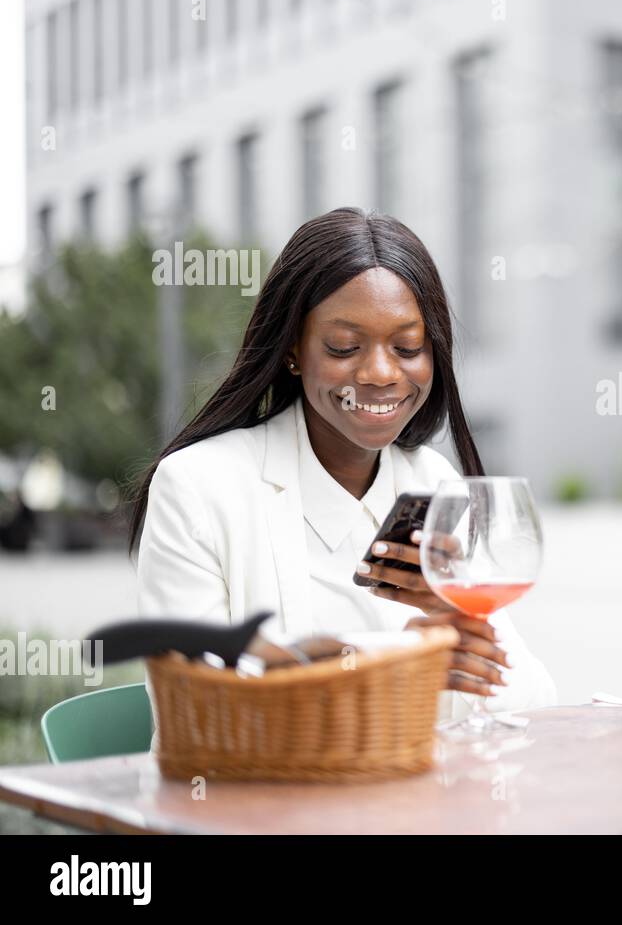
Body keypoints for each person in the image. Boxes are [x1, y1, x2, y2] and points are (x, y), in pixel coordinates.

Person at [129, 208, 556, 719]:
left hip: (407, 797)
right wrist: (396, 667)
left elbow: (530, 706)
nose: (380, 372)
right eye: (344, 346)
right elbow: (195, 707)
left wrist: (454, 610)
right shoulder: (198, 486)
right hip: (247, 798)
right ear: (293, 349)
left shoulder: (432, 483)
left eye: (407, 346)